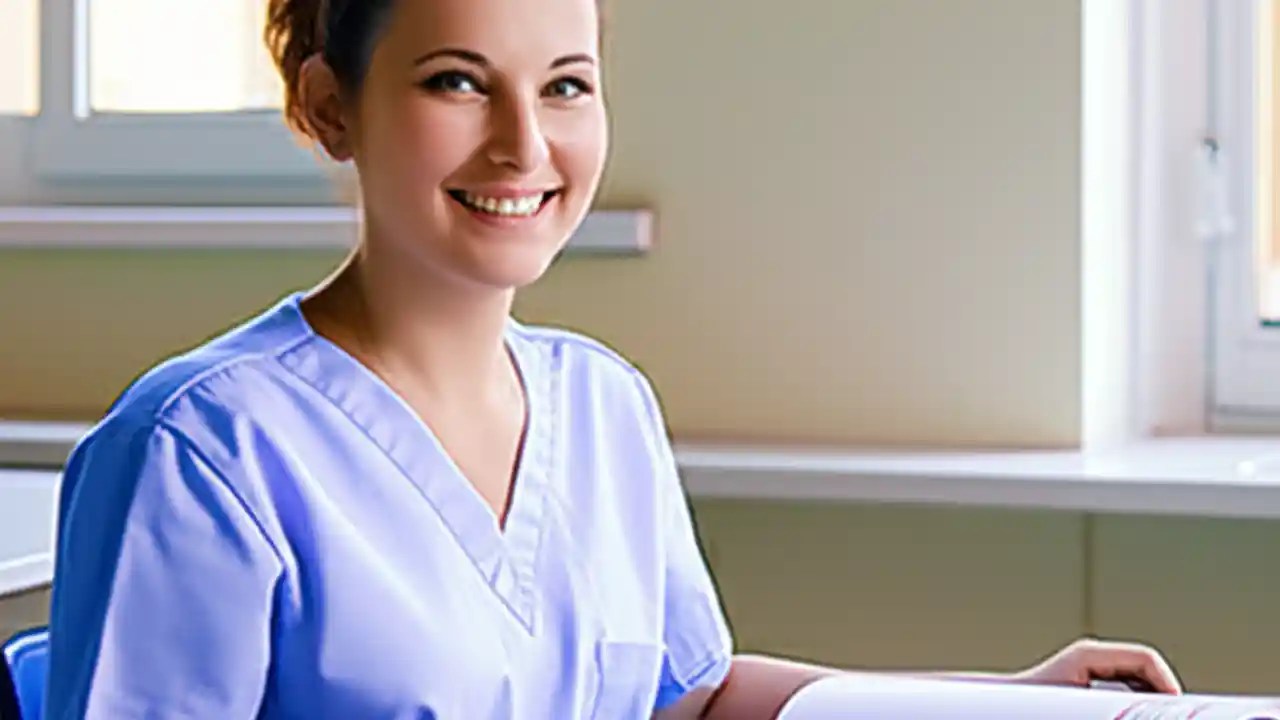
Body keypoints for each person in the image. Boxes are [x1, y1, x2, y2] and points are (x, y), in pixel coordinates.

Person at [42, 0, 1184, 717]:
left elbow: (684, 696)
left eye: (566, 86)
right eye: (455, 80)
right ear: (329, 107)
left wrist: (1013, 702)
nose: (524, 144)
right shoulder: (203, 449)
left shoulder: (602, 403)